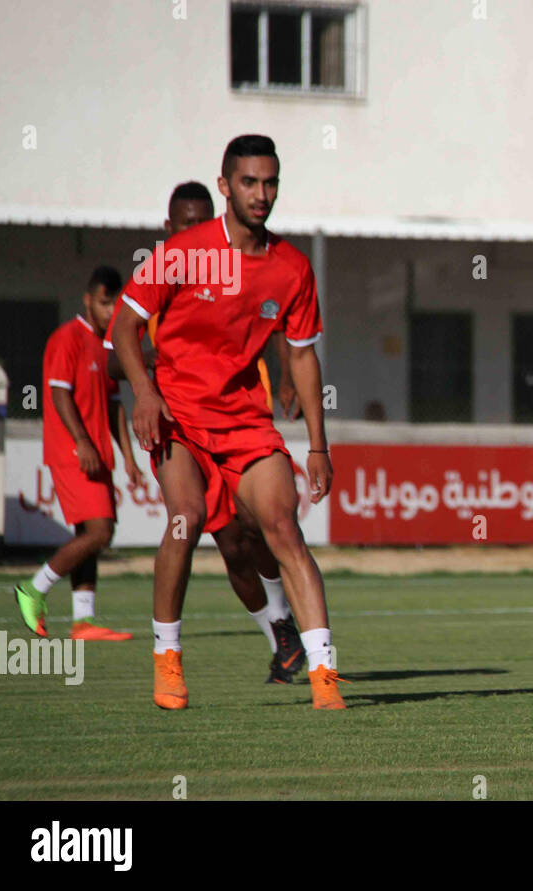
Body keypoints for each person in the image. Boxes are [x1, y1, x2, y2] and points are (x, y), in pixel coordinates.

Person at [112, 134, 344, 710]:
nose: (261, 194)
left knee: (284, 530)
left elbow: (301, 356)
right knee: (185, 521)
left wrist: (318, 445)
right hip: (178, 418)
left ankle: (324, 679)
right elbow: (123, 325)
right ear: (224, 187)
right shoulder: (184, 251)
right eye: (249, 182)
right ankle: (168, 659)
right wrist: (144, 391)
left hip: (244, 423)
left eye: (270, 183)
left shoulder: (291, 268)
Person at [14, 267, 143, 641]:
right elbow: (58, 393)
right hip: (73, 452)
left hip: (98, 454)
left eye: (114, 306)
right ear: (88, 300)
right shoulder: (66, 339)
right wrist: (83, 441)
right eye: (104, 304)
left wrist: (130, 458)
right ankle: (33, 589)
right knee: (99, 531)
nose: (109, 312)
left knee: (93, 532)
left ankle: (84, 622)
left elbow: (115, 404)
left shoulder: (109, 348)